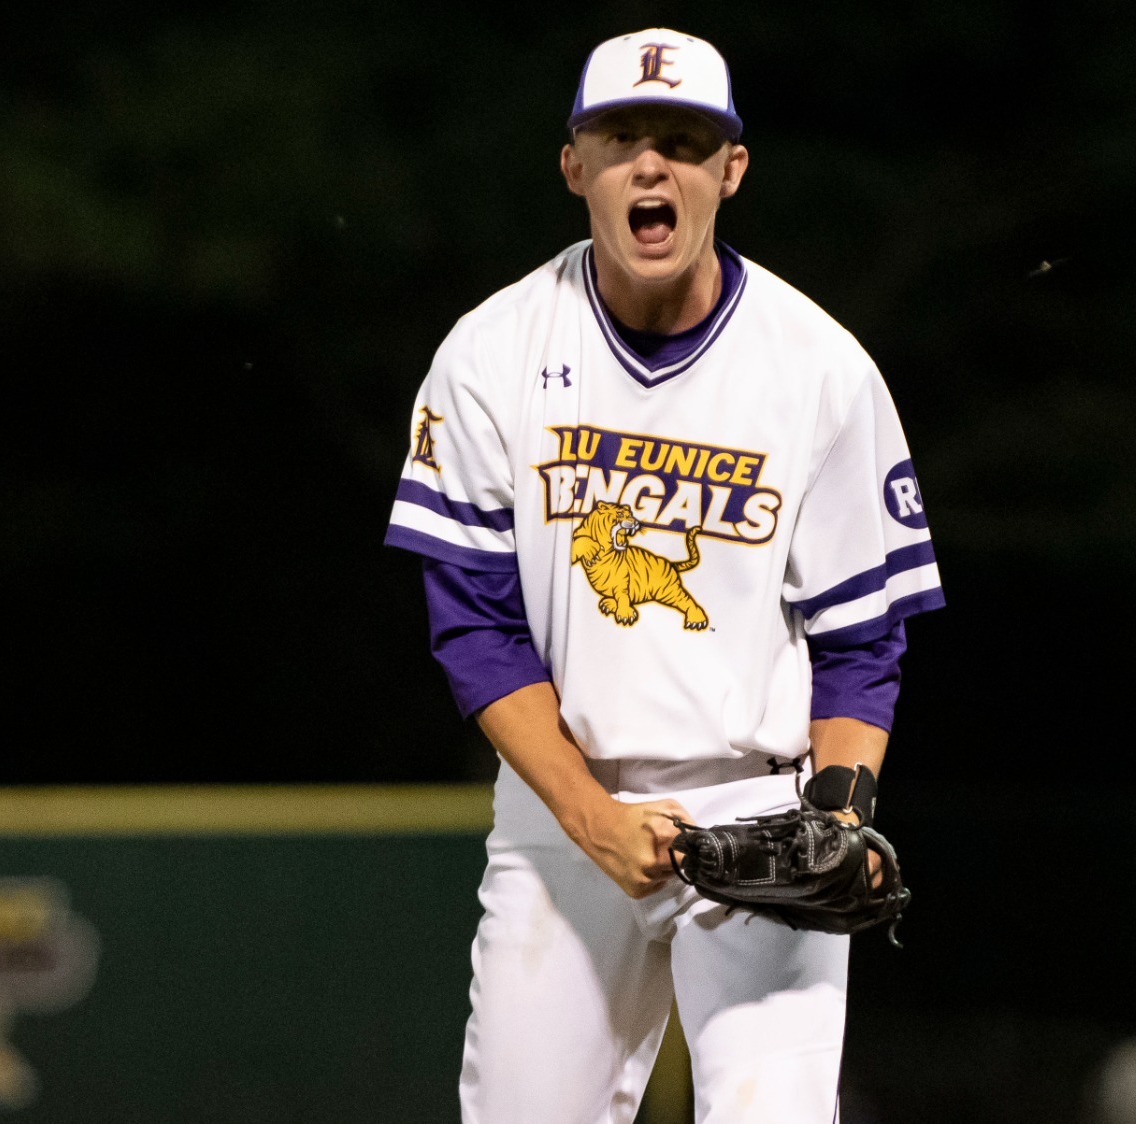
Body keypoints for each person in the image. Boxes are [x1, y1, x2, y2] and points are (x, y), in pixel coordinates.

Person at [382, 28, 946, 1123]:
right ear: (574, 167)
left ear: (729, 172)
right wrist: (591, 816)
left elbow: (859, 638)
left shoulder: (818, 367)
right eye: (623, 137)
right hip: (564, 807)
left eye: (684, 141)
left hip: (761, 810)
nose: (653, 164)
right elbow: (475, 627)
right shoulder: (492, 351)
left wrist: (836, 810)